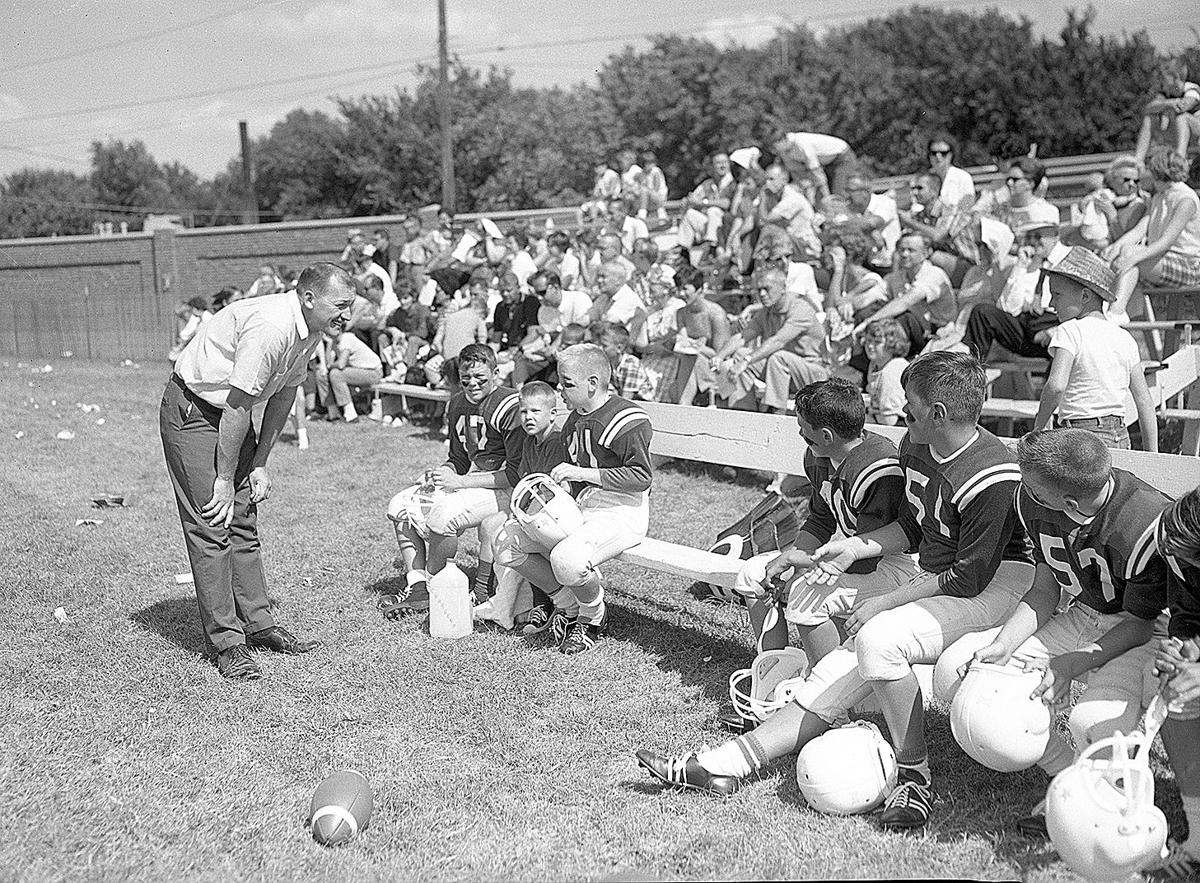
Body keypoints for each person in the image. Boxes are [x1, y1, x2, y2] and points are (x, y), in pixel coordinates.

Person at [636, 352, 1033, 835]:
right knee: (835, 672)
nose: (901, 413)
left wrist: (885, 601)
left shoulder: (993, 474)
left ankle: (914, 777)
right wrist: (855, 547)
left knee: (878, 639)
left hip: (998, 584)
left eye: (910, 405)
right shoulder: (918, 443)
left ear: (938, 413)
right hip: (944, 574)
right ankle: (724, 765)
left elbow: (968, 577)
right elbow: (913, 527)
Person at [934, 428, 1170, 837]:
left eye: (1033, 487)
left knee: (1093, 720)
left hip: (1146, 631)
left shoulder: (1142, 522)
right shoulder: (1034, 500)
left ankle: (1104, 803)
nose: (1023, 490)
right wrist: (1003, 644)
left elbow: (1139, 624)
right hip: (1085, 613)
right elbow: (1045, 590)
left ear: (1069, 502)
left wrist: (1070, 664)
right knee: (954, 670)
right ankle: (1066, 773)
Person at [162, 263, 354, 679]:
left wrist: (261, 463)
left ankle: (258, 625)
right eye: (341, 305)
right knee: (213, 522)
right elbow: (237, 406)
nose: (348, 315)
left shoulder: (312, 329)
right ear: (309, 298)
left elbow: (285, 395)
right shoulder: (272, 327)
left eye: (350, 305)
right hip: (196, 412)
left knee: (244, 521)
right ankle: (228, 644)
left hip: (232, 414)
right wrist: (224, 479)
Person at [725, 380, 913, 699]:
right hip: (850, 555)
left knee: (806, 594)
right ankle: (773, 675)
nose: (800, 432)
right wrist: (792, 560)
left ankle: (825, 692)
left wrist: (800, 568)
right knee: (754, 574)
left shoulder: (879, 469)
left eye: (803, 426)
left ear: (826, 435)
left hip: (896, 564)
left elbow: (867, 557)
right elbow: (820, 519)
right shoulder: (820, 455)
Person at [494, 343, 653, 654]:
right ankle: (567, 605)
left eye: (567, 383)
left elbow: (641, 477)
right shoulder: (574, 419)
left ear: (592, 384)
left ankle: (593, 615)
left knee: (567, 560)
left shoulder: (626, 418)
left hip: (622, 510)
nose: (559, 389)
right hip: (584, 506)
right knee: (506, 542)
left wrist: (581, 474)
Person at [384, 344, 521, 617]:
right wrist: (440, 473)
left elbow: (516, 474)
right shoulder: (457, 403)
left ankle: (437, 586)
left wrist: (459, 482)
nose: (472, 384)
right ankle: (417, 586)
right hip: (472, 481)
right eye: (465, 378)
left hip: (506, 487)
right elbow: (458, 459)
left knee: (443, 516)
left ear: (496, 373)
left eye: (480, 377)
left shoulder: (509, 405)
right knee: (400, 505)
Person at [1033, 247, 1157, 452]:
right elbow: (1144, 400)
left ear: (1085, 296)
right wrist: (1153, 455)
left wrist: (1038, 427)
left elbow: (1056, 386)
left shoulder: (1069, 331)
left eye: (1057, 295)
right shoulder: (1125, 338)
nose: (1051, 304)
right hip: (1119, 434)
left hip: (1080, 436)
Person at [474, 381, 568, 630]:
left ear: (552, 414)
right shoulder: (529, 442)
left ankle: (544, 603)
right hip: (531, 511)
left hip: (554, 516)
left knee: (520, 537)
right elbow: (524, 482)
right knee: (493, 526)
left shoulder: (555, 442)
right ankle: (491, 595)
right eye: (523, 411)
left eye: (535, 411)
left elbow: (550, 492)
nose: (528, 417)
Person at [1152, 489, 1200, 879]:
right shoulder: (1181, 553)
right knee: (1177, 689)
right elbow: (1187, 615)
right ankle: (1198, 834)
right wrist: (1184, 648)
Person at [711, 266, 828, 413]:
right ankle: (743, 411)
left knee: (777, 357)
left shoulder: (801, 309)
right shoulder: (767, 311)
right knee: (740, 354)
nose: (762, 294)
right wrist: (719, 356)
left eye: (767, 289)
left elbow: (778, 341)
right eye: (759, 289)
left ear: (783, 288)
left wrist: (746, 361)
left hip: (813, 374)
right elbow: (743, 336)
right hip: (781, 371)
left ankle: (776, 411)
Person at [962, 203, 1068, 363]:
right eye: (1029, 236)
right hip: (1028, 330)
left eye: (1038, 235)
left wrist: (1057, 332)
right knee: (982, 313)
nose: (1033, 241)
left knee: (1060, 342)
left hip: (1058, 330)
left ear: (1055, 235)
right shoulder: (1028, 264)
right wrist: (1020, 267)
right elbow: (1008, 309)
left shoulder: (1069, 259)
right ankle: (972, 368)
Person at [1106, 147, 1200, 323]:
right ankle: (1115, 311)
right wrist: (1114, 248)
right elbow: (1140, 230)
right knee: (1125, 253)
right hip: (1163, 261)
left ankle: (1116, 311)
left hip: (1189, 265)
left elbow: (1166, 242)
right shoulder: (1159, 196)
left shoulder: (1186, 199)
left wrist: (1132, 258)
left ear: (1158, 171)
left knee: (1131, 257)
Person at [852, 233, 954, 351]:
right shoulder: (896, 277)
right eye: (901, 250)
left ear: (925, 253)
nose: (905, 254)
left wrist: (869, 321)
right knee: (867, 311)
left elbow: (905, 301)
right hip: (913, 331)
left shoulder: (934, 274)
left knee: (904, 318)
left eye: (911, 250)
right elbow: (873, 295)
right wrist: (850, 306)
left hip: (935, 333)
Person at [1135, 60, 1200, 163]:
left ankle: (1180, 158)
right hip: (1176, 132)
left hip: (1196, 131)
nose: (1160, 81)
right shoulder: (1165, 94)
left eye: (1163, 78)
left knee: (1182, 117)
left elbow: (1183, 106)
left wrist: (1166, 105)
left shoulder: (1191, 89)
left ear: (1175, 78)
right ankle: (1138, 160)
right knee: (1149, 118)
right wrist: (1168, 103)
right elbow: (1148, 108)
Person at [677, 152, 737, 261]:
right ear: (712, 166)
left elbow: (726, 203)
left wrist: (703, 202)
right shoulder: (708, 184)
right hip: (710, 225)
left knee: (713, 210)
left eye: (725, 162)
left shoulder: (733, 183)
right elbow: (693, 198)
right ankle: (684, 254)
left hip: (726, 225)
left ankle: (711, 248)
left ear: (729, 165)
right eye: (718, 163)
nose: (722, 166)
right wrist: (688, 201)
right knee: (690, 214)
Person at [316, 327, 383, 422]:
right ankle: (333, 414)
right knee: (321, 374)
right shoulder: (335, 342)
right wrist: (329, 344)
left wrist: (329, 365)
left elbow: (341, 364)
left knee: (336, 374)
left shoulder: (347, 339)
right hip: (358, 371)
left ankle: (351, 415)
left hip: (373, 372)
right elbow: (328, 364)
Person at [771, 130, 857, 202]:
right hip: (826, 164)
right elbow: (796, 172)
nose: (775, 150)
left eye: (776, 146)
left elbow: (817, 173)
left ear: (784, 140)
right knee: (817, 196)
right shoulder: (784, 151)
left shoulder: (801, 143)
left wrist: (826, 198)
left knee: (838, 192)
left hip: (843, 157)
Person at [863, 318, 910, 427]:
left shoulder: (892, 370)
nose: (870, 346)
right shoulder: (875, 364)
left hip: (900, 426)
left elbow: (889, 420)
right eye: (868, 340)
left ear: (892, 344)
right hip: (880, 418)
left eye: (877, 342)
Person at [926, 133, 975, 209]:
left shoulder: (963, 177)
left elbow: (967, 207)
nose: (938, 156)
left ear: (951, 154)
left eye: (943, 153)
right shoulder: (923, 179)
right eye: (934, 153)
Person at [168, 295, 213, 362]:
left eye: (191, 309)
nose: (191, 312)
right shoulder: (200, 319)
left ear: (194, 308)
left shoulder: (207, 318)